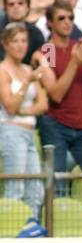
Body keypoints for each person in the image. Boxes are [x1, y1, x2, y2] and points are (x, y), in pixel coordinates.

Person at [35, 0, 82, 233]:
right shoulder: (48, 51)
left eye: (70, 18)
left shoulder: (80, 47)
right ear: (49, 23)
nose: (67, 22)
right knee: (56, 184)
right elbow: (55, 93)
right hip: (55, 123)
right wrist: (75, 62)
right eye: (61, 18)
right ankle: (54, 228)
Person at [0, 23, 48, 224]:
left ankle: (31, 227)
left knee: (35, 188)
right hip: (10, 132)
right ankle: (10, 231)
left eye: (24, 41)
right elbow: (10, 106)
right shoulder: (2, 71)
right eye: (15, 41)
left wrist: (22, 110)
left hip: (28, 132)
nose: (20, 46)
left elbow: (43, 104)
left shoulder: (29, 69)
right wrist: (27, 83)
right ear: (5, 44)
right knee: (16, 185)